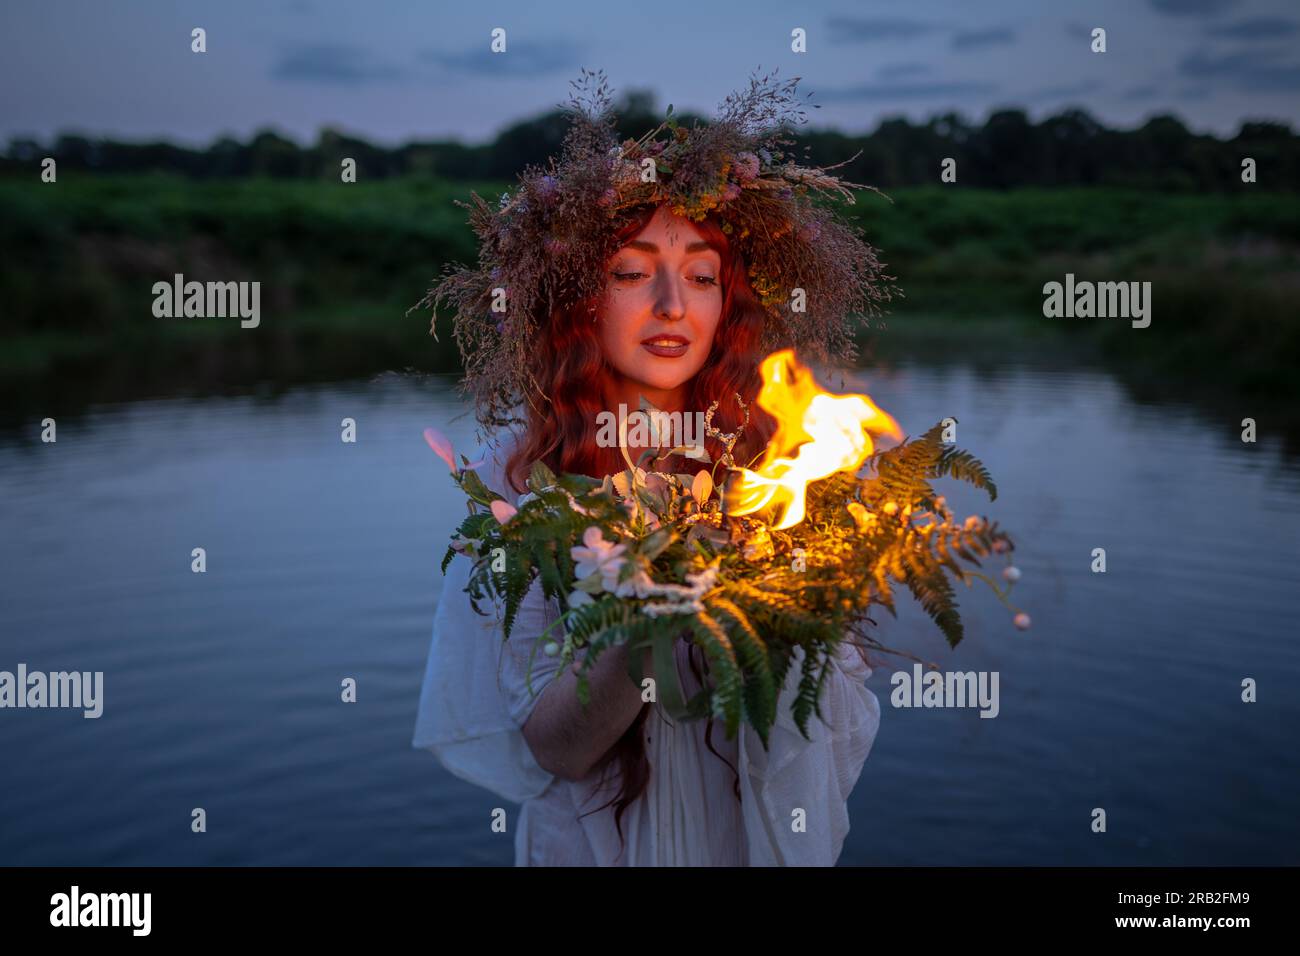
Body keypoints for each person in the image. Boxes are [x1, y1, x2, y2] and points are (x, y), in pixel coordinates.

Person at [411, 69, 894, 866]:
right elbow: (555, 751)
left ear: (726, 306)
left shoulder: (782, 462)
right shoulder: (520, 484)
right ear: (578, 299)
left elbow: (834, 714)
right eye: (632, 272)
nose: (673, 303)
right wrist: (651, 611)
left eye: (703, 276)